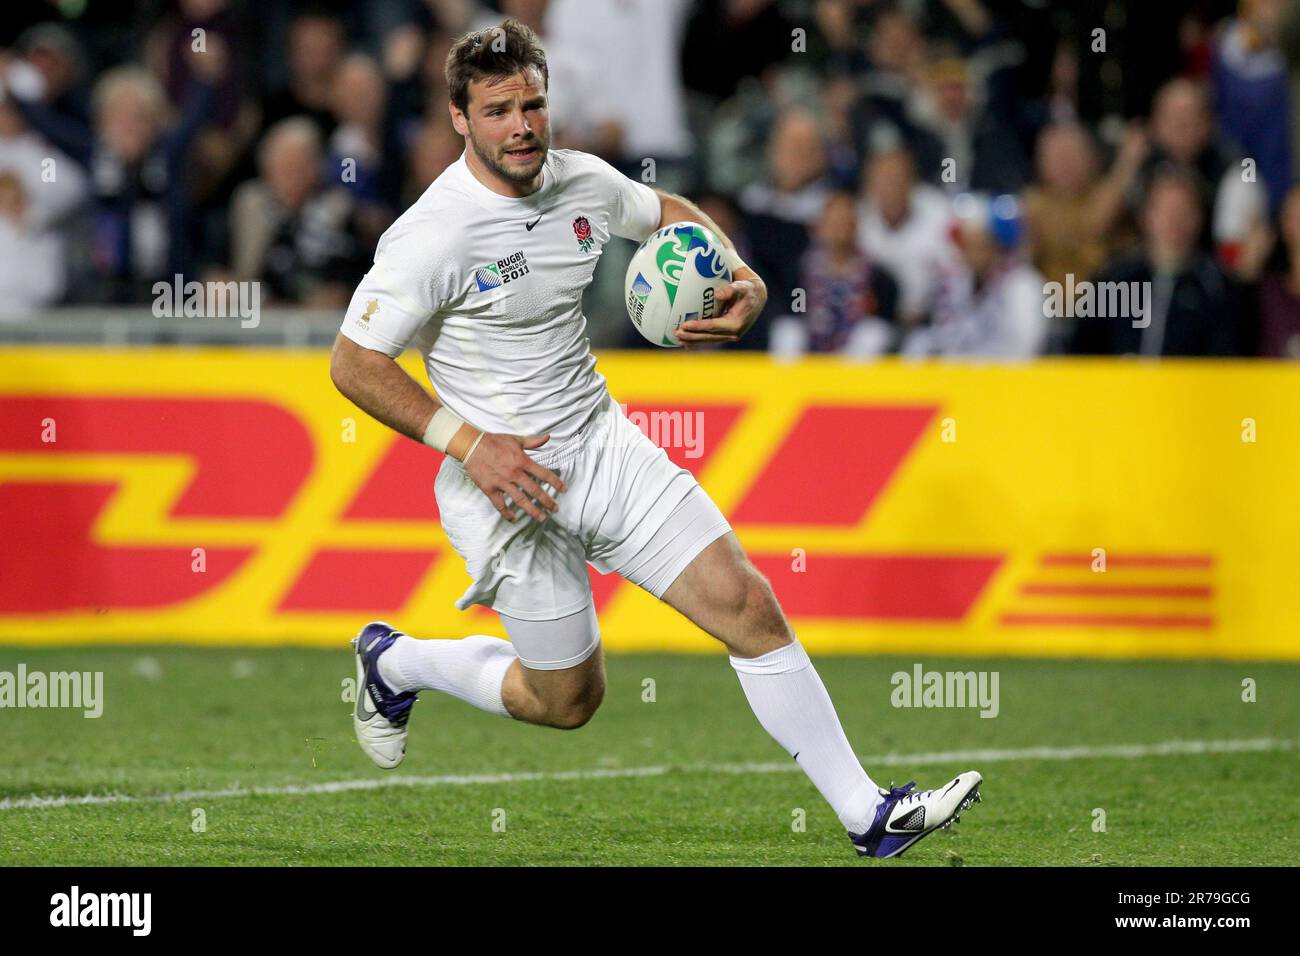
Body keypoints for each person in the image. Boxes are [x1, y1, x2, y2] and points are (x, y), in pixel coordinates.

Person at [328, 18, 981, 860]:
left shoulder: (583, 183)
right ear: (460, 119)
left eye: (532, 104)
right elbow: (353, 362)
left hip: (600, 447)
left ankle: (868, 814)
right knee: (565, 701)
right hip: (501, 484)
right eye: (497, 111)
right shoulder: (434, 235)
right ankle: (398, 663)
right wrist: (471, 444)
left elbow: (665, 211)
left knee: (747, 604)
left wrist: (736, 271)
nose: (522, 125)